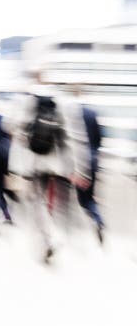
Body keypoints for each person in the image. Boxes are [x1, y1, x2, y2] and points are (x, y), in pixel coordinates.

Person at [4, 75, 91, 264]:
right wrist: (81, 169)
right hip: (57, 163)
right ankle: (57, 234)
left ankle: (49, 238)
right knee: (61, 203)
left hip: (33, 162)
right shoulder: (62, 103)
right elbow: (74, 137)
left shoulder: (28, 101)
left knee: (38, 202)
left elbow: (8, 125)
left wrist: (22, 134)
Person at [72, 86, 105, 244]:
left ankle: (94, 219)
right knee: (90, 197)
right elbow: (99, 139)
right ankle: (98, 219)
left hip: (77, 163)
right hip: (92, 160)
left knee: (82, 200)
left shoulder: (71, 114)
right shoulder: (92, 113)